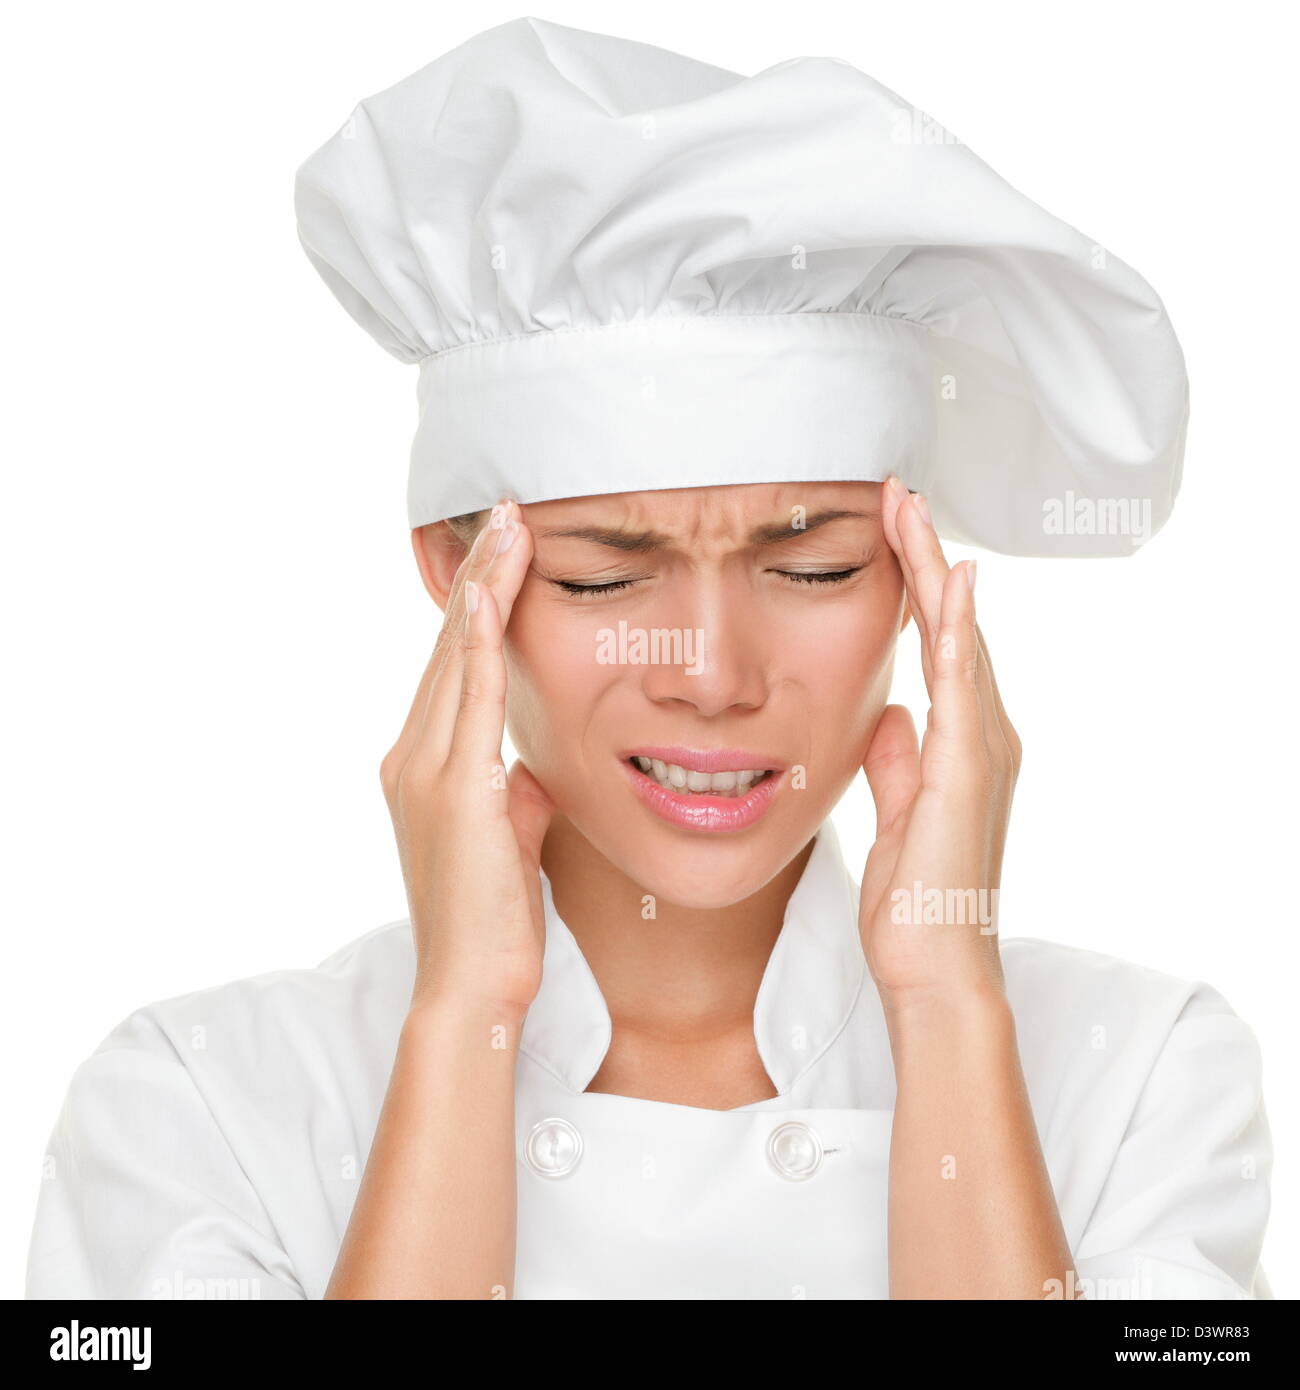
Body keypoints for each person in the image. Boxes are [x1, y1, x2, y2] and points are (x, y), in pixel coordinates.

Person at [27, 17, 1270, 1301]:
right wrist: (466, 1017)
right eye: (603, 576)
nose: (712, 671)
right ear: (461, 582)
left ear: (914, 579)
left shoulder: (1142, 1087)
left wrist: (947, 1003)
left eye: (812, 565)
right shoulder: (198, 1107)